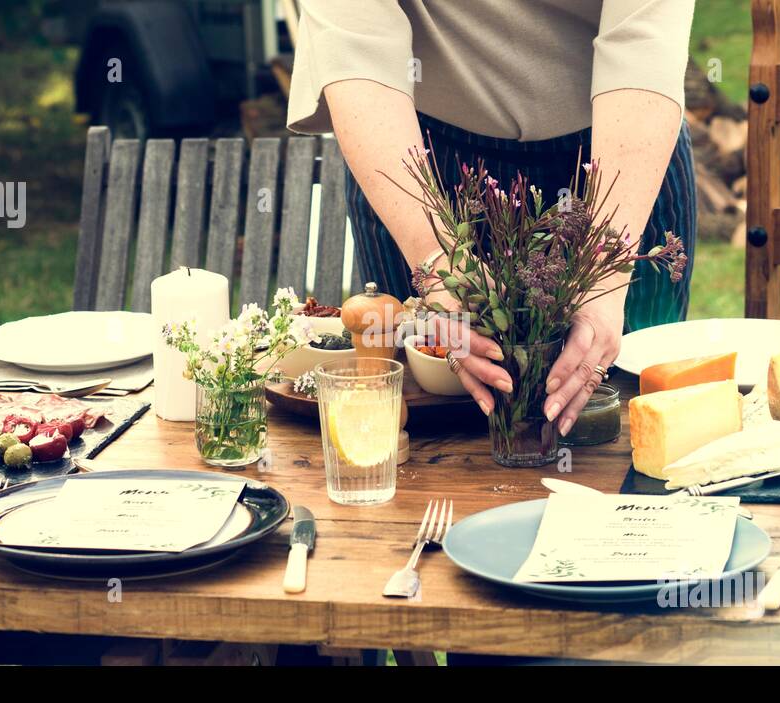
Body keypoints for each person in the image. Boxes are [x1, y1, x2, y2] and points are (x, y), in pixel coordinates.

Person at [289, 0, 697, 438]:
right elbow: (358, 52)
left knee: (635, 425)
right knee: (426, 441)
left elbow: (643, 42)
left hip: (622, 155)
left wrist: (605, 268)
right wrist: (437, 260)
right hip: (420, 162)